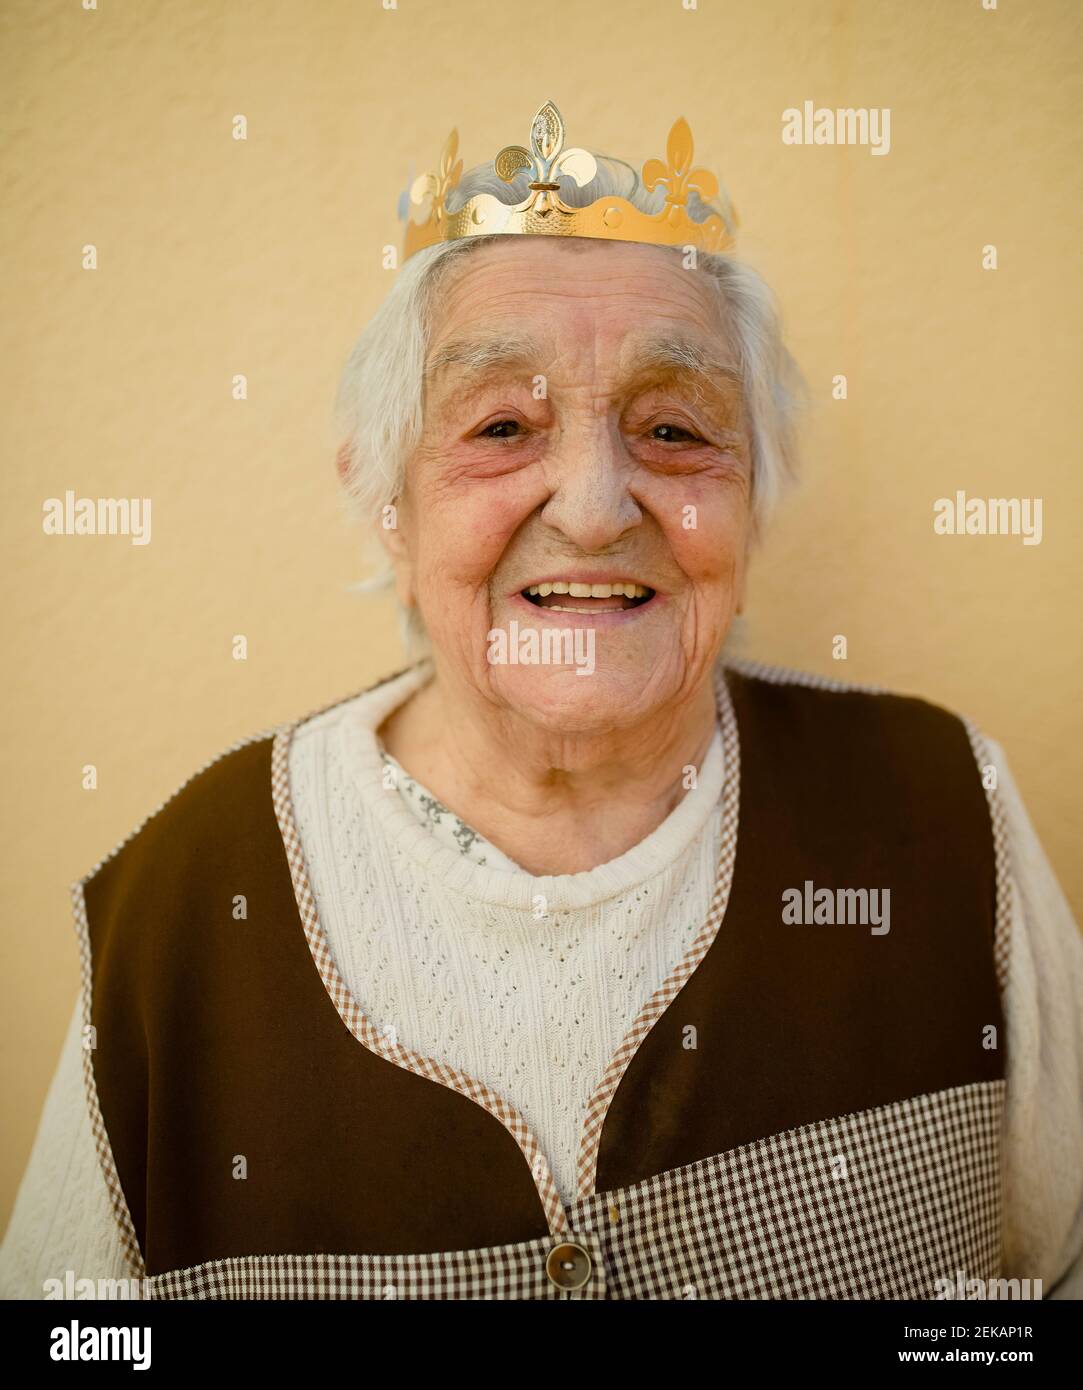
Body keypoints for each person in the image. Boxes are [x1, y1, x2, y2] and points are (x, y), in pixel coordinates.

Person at [3, 102, 1081, 1301]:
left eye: (674, 429)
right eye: (502, 426)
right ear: (385, 500)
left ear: (755, 497)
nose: (593, 504)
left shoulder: (941, 807)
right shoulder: (181, 911)